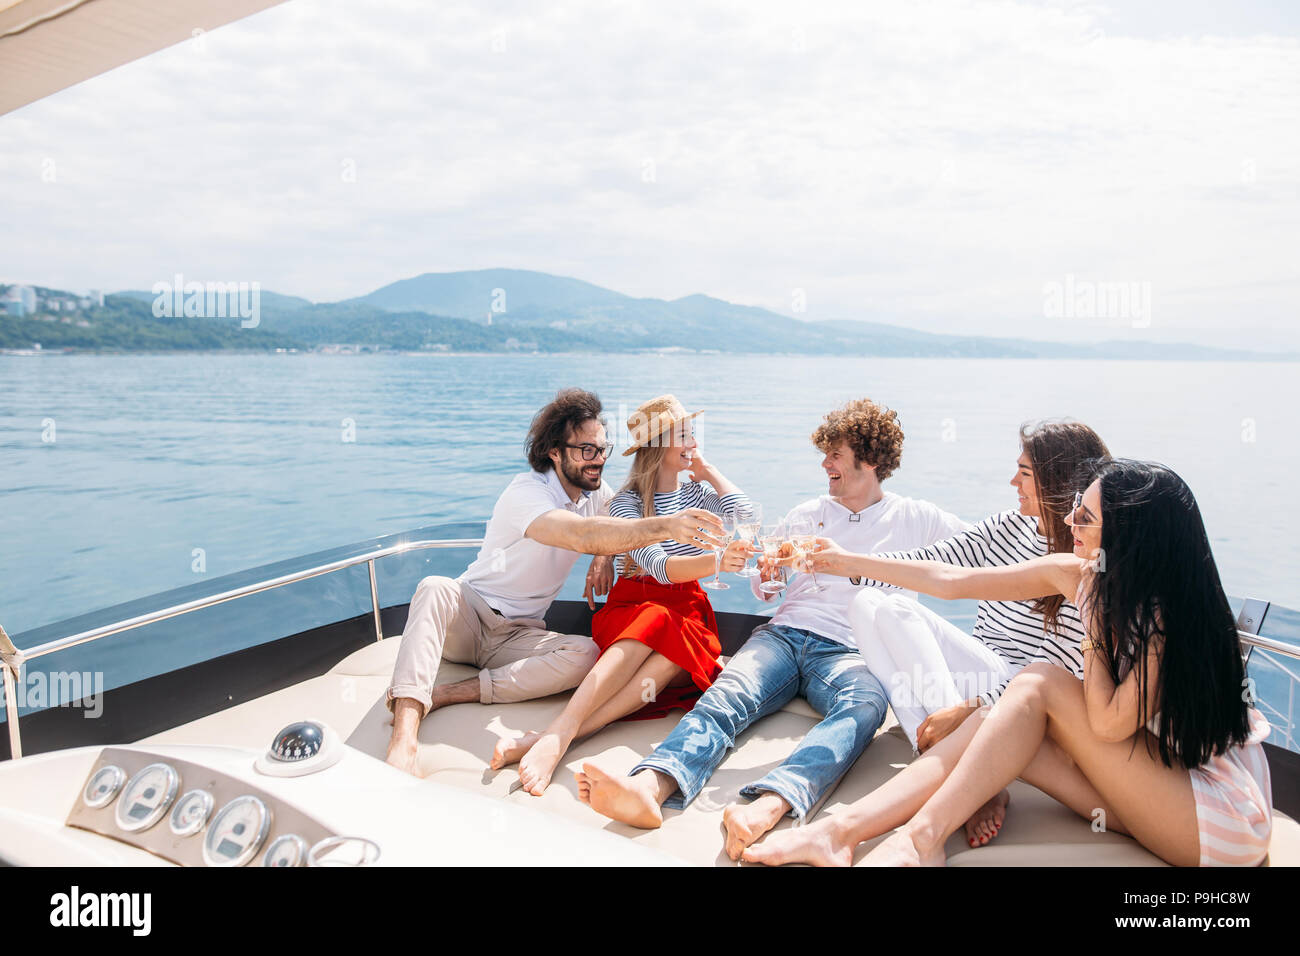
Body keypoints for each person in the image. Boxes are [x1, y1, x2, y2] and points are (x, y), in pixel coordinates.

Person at [744, 459, 1273, 867]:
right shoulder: (1083, 573)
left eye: (1084, 517)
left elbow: (1109, 725)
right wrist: (842, 560)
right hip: (1156, 787)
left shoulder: (1164, 617)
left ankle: (917, 839)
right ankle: (840, 832)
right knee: (992, 717)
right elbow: (951, 581)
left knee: (1037, 682)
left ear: (1130, 536)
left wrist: (1089, 618)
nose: (1069, 521)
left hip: (1217, 825)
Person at [576, 398, 968, 860]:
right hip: (785, 634)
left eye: (836, 455)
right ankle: (652, 782)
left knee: (863, 708)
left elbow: (986, 551)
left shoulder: (918, 518)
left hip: (852, 650)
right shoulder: (807, 512)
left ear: (872, 461)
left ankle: (773, 801)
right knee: (726, 695)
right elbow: (769, 590)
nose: (825, 464)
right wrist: (769, 578)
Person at [384, 388, 725, 775]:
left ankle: (451, 693)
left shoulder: (596, 495)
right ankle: (405, 734)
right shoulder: (527, 492)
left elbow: (615, 526)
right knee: (434, 587)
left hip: (520, 634)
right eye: (586, 451)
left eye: (602, 449)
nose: (597, 461)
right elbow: (580, 534)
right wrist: (660, 528)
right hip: (470, 613)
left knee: (585, 654)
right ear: (554, 452)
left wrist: (604, 554)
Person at [846, 421, 1110, 847]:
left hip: (1021, 707)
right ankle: (949, 764)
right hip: (984, 675)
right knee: (865, 603)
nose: (1012, 482)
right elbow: (933, 561)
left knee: (895, 607)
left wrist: (973, 707)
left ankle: (966, 769)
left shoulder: (1080, 561)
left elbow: (1051, 674)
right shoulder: (1008, 525)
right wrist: (842, 561)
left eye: (1024, 473)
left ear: (1057, 480)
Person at [493, 395, 753, 795]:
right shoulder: (627, 503)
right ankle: (560, 734)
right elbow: (660, 568)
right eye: (683, 435)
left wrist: (711, 471)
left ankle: (559, 734)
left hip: (687, 611)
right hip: (635, 608)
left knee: (672, 634)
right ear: (658, 445)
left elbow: (747, 517)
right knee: (658, 621)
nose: (693, 443)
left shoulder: (697, 493)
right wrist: (717, 563)